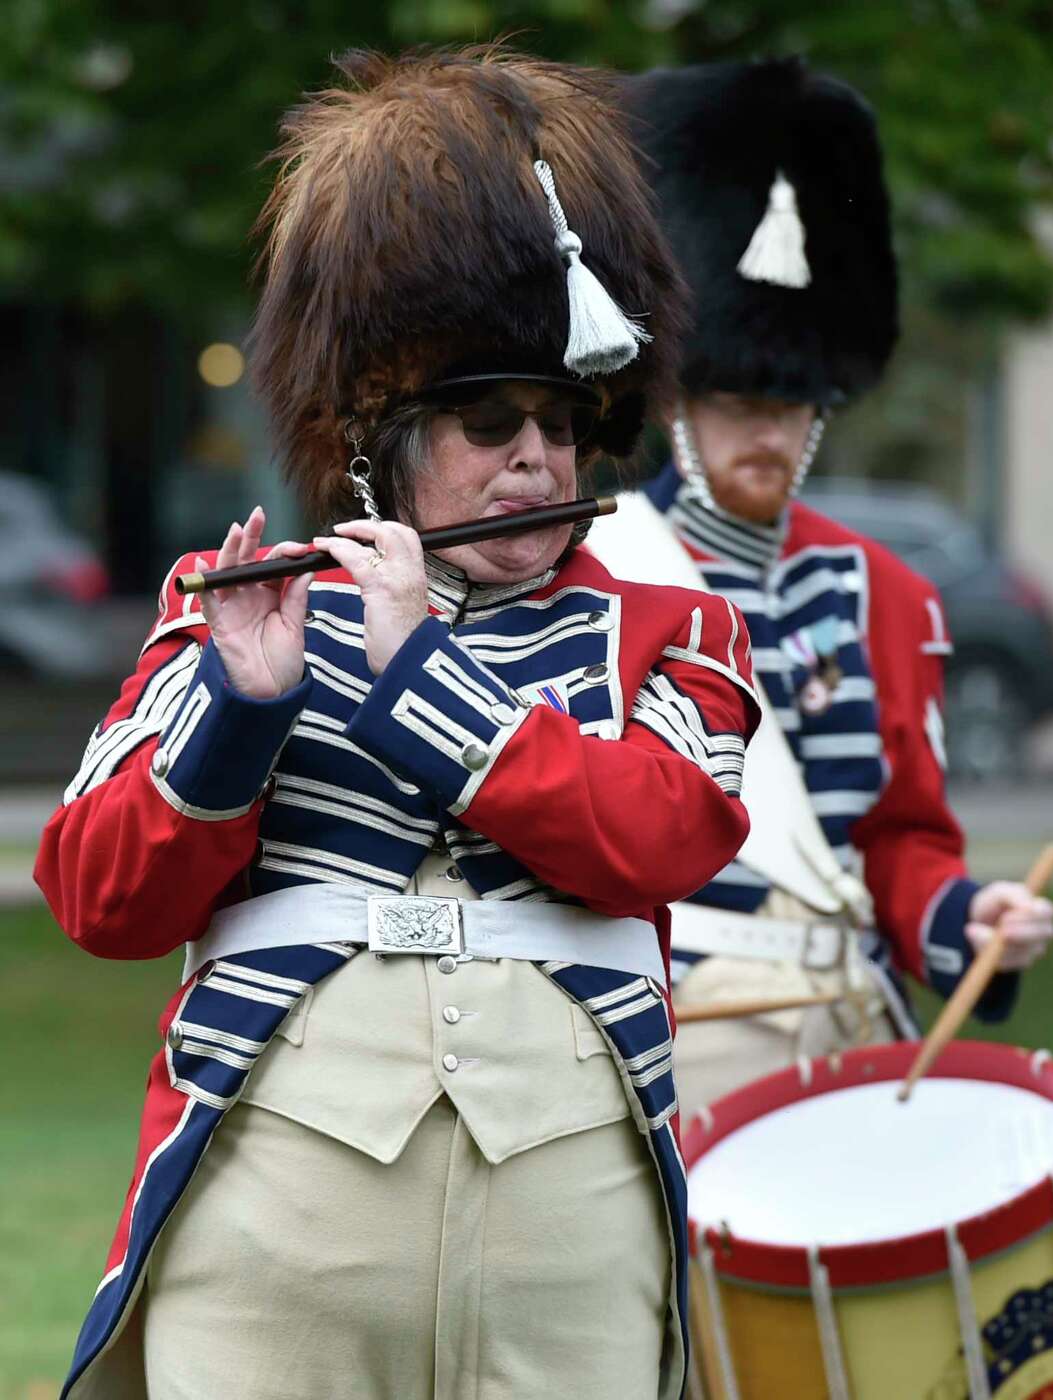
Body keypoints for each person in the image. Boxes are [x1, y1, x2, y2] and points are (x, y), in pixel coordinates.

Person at [35, 48, 759, 1400]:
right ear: (378, 441)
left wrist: (423, 679)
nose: (539, 458)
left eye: (564, 421)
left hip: (569, 1237)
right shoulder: (234, 609)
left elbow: (661, 842)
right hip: (281, 1230)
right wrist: (238, 714)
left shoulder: (680, 631)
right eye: (489, 421)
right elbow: (97, 895)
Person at [588, 57, 1053, 1115]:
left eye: (793, 402)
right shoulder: (598, 574)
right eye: (739, 397)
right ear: (677, 400)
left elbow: (900, 842)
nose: (768, 428)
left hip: (852, 1016)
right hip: (670, 1021)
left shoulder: (884, 593)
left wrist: (965, 918)